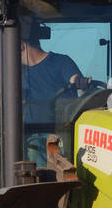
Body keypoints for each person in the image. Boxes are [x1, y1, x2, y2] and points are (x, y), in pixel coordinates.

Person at [20, 17, 83, 164]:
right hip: (26, 135)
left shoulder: (61, 62)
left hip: (58, 135)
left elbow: (75, 80)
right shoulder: (17, 73)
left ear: (22, 47)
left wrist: (79, 82)